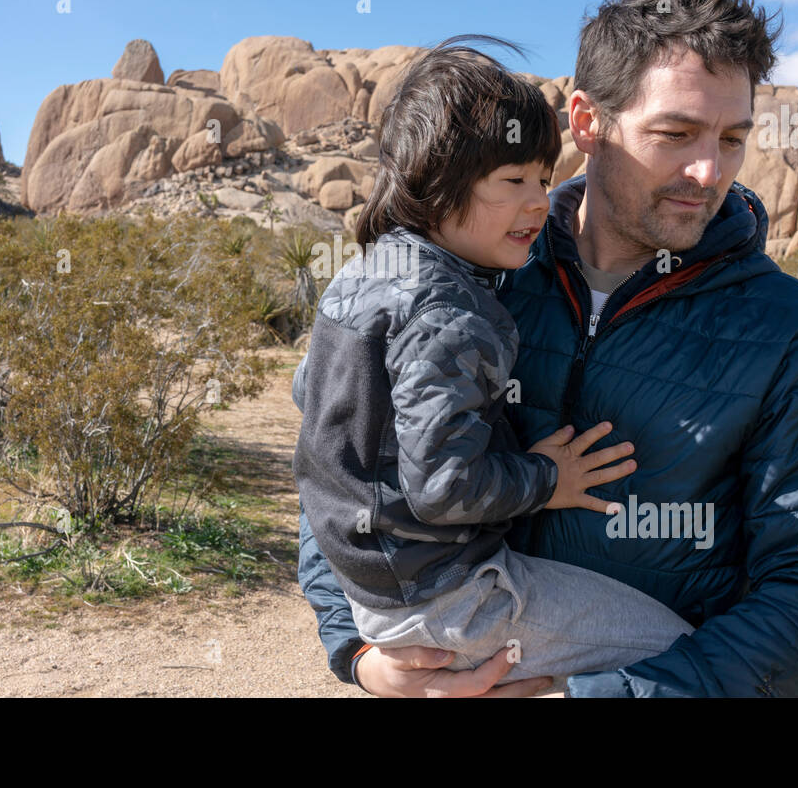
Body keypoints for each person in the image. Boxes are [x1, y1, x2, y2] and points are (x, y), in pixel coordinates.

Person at [295, 0, 798, 698]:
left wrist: (600, 696)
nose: (710, 171)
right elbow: (338, 460)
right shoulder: (464, 276)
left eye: (731, 138)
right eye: (676, 133)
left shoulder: (791, 332)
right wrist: (361, 653)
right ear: (587, 122)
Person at [291, 35, 694, 691]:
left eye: (543, 177)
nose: (539, 201)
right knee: (673, 647)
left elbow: (315, 413)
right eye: (513, 181)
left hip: (375, 592)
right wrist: (546, 478)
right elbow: (444, 486)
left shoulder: (362, 275)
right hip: (451, 599)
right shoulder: (449, 307)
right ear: (435, 181)